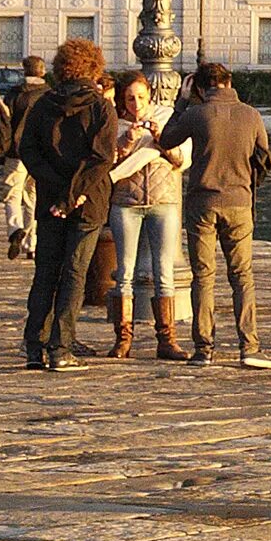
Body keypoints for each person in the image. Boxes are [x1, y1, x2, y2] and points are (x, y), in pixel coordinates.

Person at [160, 62, 271, 368]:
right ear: (229, 82)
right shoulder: (251, 114)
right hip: (239, 201)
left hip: (203, 201)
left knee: (204, 277)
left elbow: (166, 139)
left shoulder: (196, 114)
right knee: (242, 276)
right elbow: (265, 158)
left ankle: (204, 349)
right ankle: (249, 346)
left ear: (200, 87)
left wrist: (182, 102)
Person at [16, 40, 122, 372]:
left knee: (46, 271)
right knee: (75, 272)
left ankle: (35, 345)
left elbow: (28, 150)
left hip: (50, 199)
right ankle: (61, 347)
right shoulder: (102, 108)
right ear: (95, 69)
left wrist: (56, 187)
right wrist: (74, 192)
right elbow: (101, 158)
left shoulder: (42, 105)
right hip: (87, 201)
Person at [101, 69, 187, 360]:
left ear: (149, 96)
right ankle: (123, 340)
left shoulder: (166, 119)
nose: (136, 103)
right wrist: (126, 142)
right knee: (124, 273)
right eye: (129, 98)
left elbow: (179, 161)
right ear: (122, 101)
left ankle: (167, 340)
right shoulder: (115, 124)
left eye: (140, 97)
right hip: (126, 202)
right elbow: (108, 165)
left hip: (163, 201)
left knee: (164, 273)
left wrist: (160, 139)